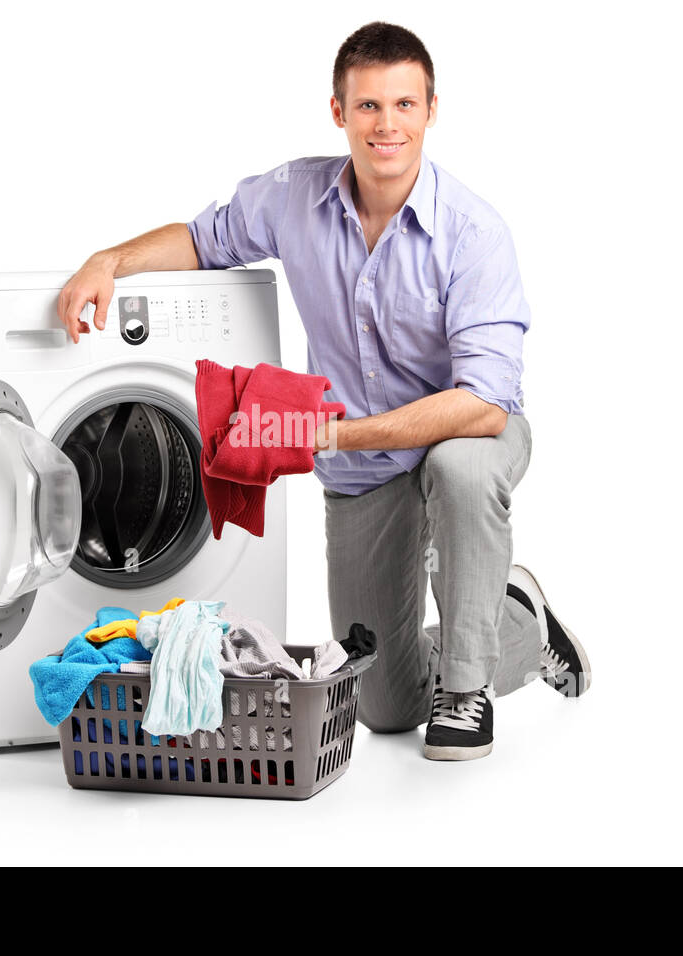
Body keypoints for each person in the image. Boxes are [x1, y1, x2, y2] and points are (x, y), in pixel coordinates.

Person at [56, 21, 590, 761]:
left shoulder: (474, 233)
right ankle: (517, 624)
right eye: (368, 106)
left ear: (432, 109)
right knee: (385, 705)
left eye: (404, 105)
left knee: (457, 466)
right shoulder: (294, 197)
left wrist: (333, 435)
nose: (387, 125)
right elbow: (204, 239)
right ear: (338, 112)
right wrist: (109, 260)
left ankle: (467, 691)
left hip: (465, 435)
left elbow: (485, 402)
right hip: (366, 471)